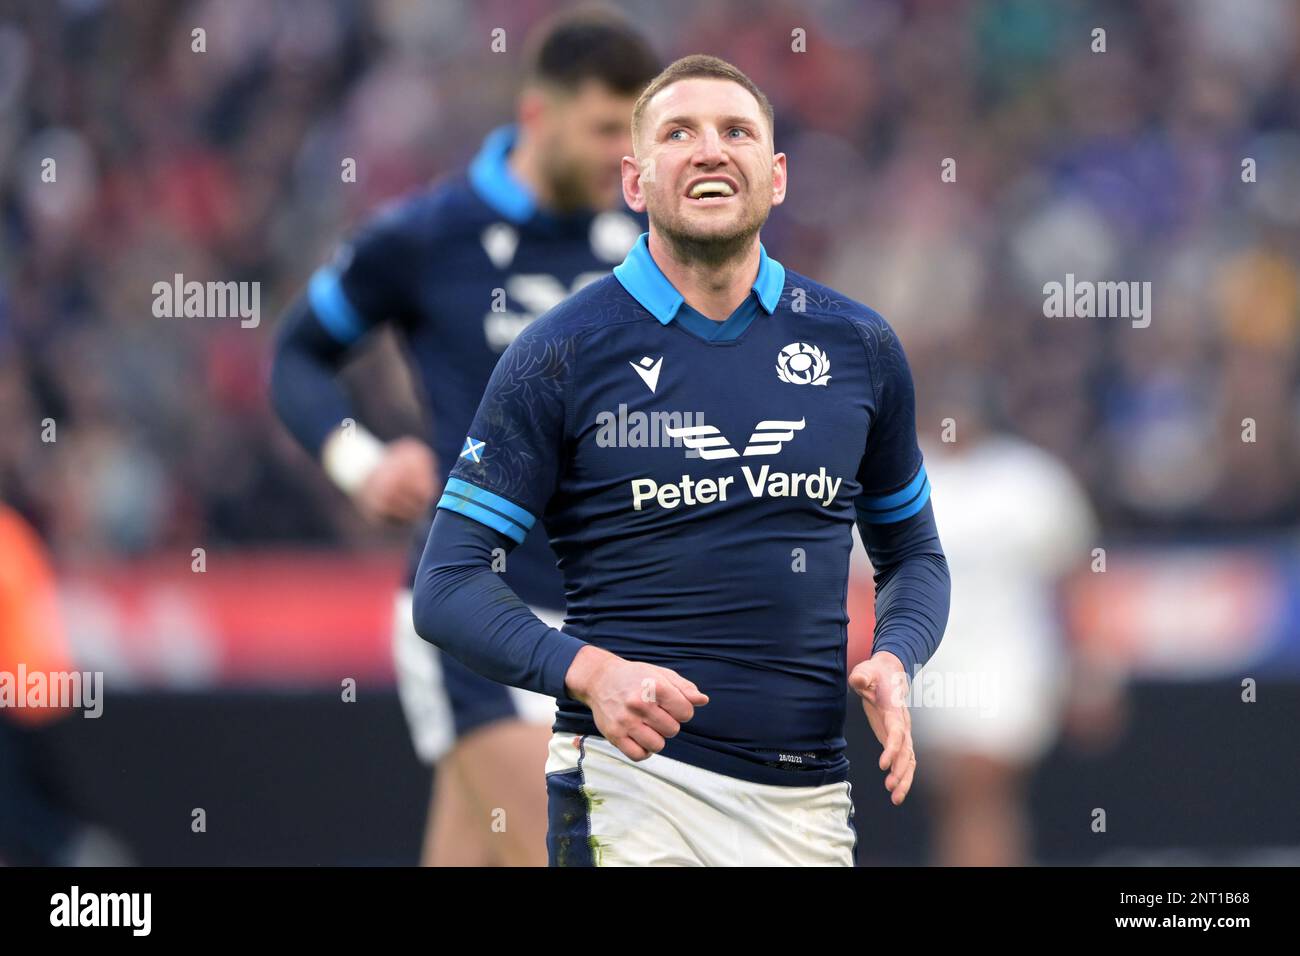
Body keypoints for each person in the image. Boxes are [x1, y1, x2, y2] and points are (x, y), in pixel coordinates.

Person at [414, 54, 950, 866]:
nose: (709, 150)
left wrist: (896, 653)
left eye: (735, 131)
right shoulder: (558, 352)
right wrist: (589, 673)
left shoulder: (858, 346)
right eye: (679, 133)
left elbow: (912, 554)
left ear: (775, 177)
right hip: (634, 793)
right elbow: (447, 584)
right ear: (634, 182)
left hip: (809, 806)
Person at [269, 10, 659, 866]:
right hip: (478, 611)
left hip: (614, 624)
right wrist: (359, 460)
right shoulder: (425, 237)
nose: (620, 159)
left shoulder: (652, 241)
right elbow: (297, 355)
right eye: (603, 130)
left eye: (634, 136)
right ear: (536, 117)